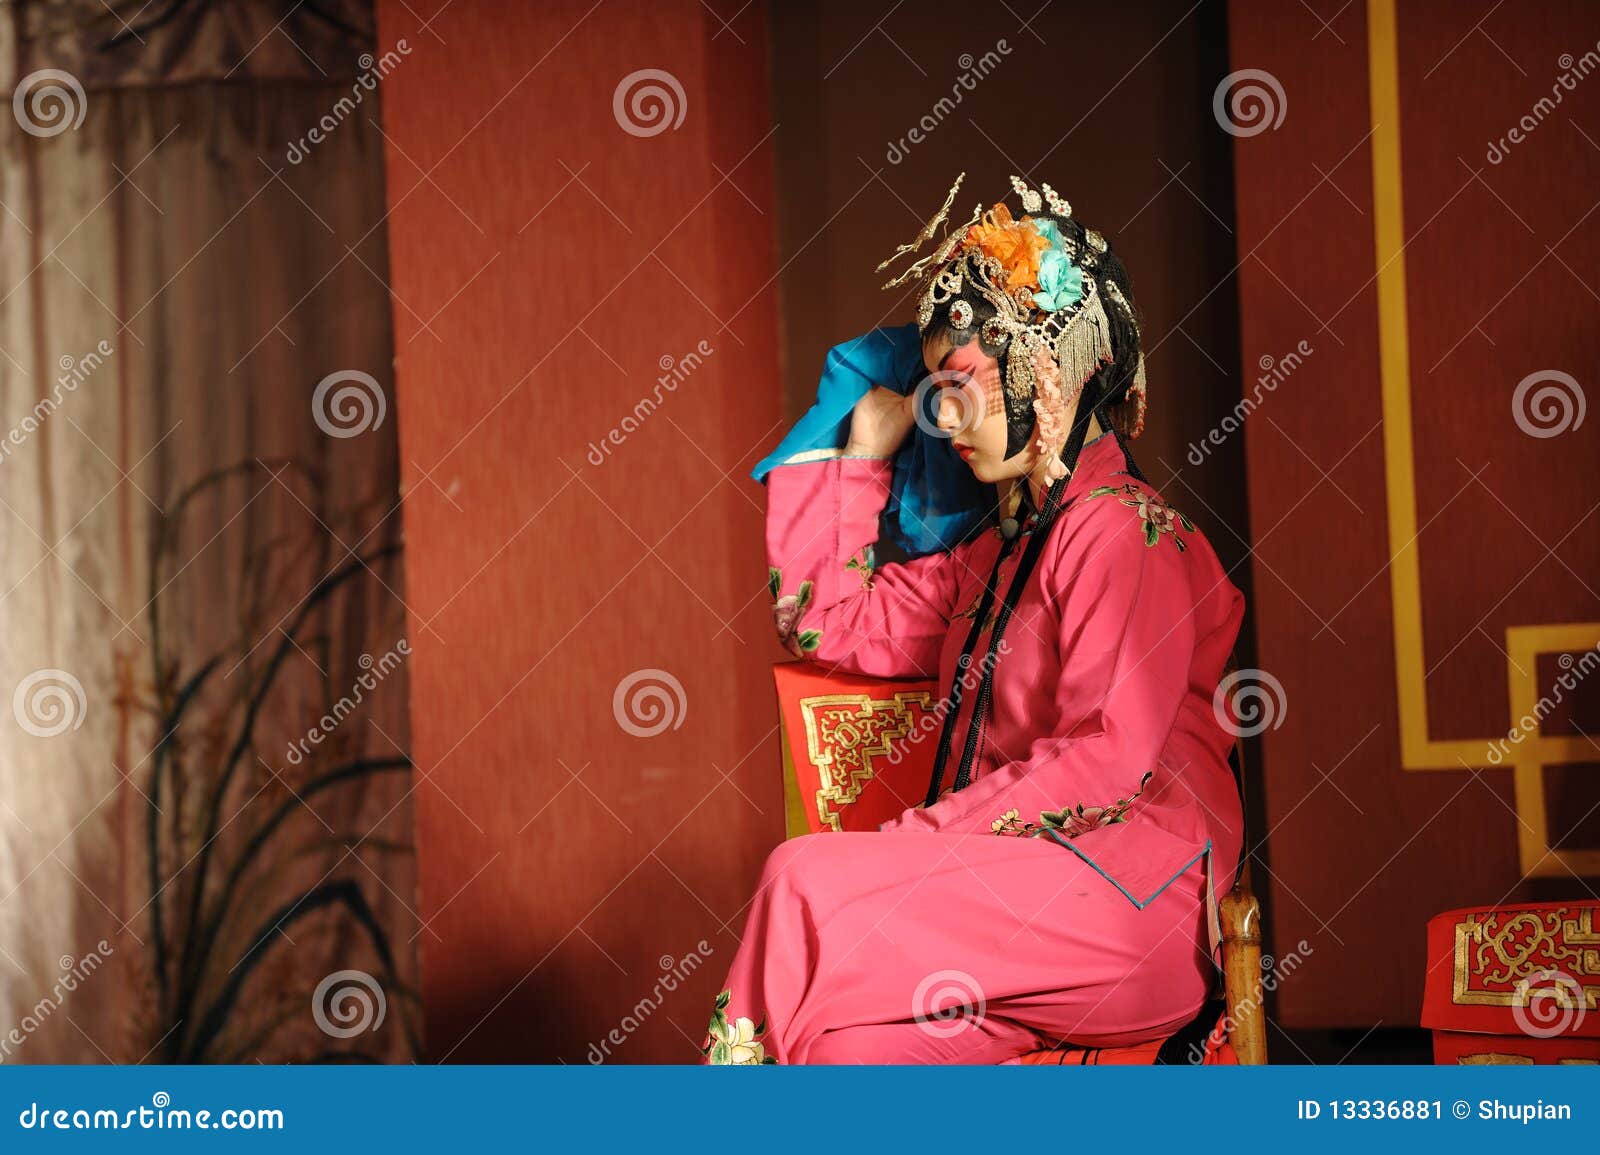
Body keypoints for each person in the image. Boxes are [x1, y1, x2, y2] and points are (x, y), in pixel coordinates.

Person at [702, 174, 1245, 1066]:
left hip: (1132, 900)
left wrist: (919, 844)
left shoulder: (1132, 533)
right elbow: (820, 621)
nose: (944, 418)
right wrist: (861, 459)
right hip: (1009, 913)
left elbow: (1110, 755)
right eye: (934, 392)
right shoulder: (988, 565)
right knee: (842, 1050)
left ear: (1049, 379)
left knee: (801, 879)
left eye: (963, 386)